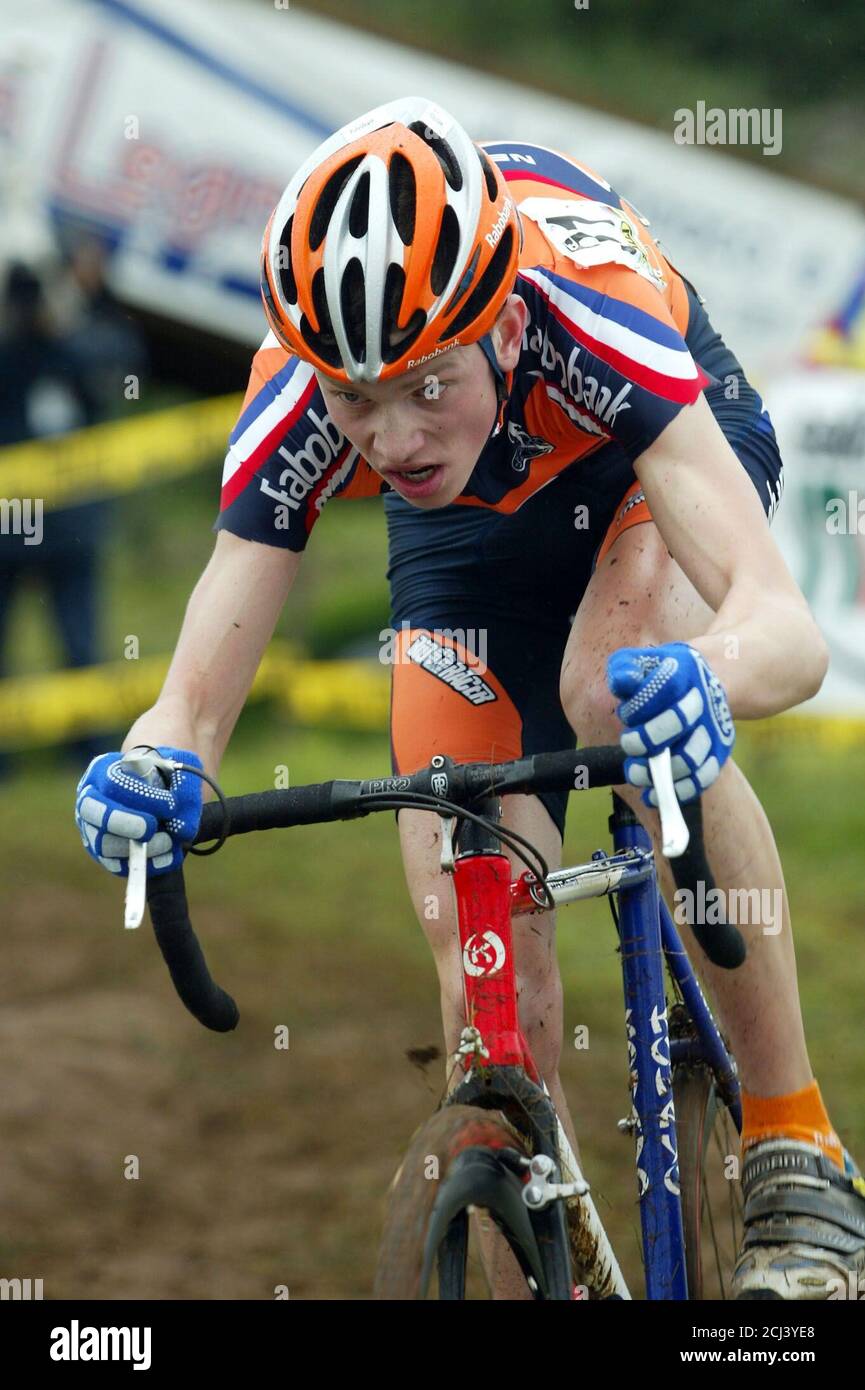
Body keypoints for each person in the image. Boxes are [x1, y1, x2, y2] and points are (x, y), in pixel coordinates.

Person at [75, 98, 865, 1301]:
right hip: (471, 540)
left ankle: (795, 1148)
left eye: (423, 385)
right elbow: (188, 702)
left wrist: (702, 676)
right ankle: (511, 1177)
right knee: (467, 887)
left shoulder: (582, 308)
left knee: (606, 697)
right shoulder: (308, 378)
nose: (389, 437)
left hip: (637, 467)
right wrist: (154, 764)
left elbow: (785, 630)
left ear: (493, 326)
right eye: (357, 401)